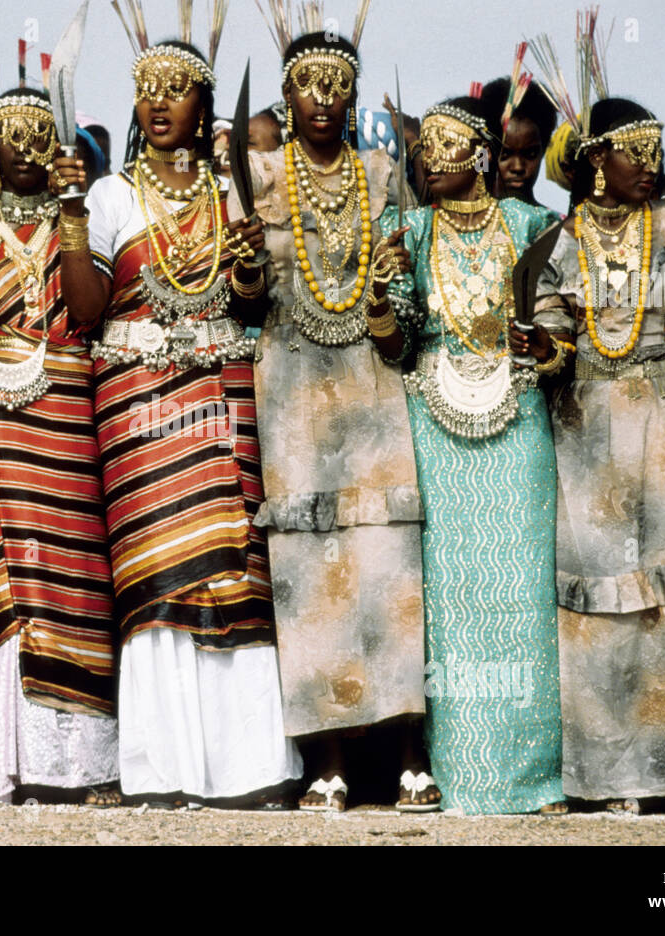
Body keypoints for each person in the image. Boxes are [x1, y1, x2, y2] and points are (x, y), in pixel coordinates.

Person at [52, 37, 302, 806]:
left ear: (203, 107)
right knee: (158, 573)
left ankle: (250, 768)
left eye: (176, 90)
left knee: (232, 565)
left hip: (220, 397)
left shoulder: (230, 191)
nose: (158, 103)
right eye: (146, 89)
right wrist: (68, 216)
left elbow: (252, 306)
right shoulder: (109, 197)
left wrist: (253, 263)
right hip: (137, 405)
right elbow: (87, 313)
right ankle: (163, 770)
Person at [240, 30, 430, 813]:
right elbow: (244, 301)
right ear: (287, 96)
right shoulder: (254, 176)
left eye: (336, 84)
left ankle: (408, 754)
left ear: (352, 98)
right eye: (307, 84)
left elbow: (409, 311)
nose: (322, 98)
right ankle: (326, 758)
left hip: (372, 380)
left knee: (388, 561)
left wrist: (389, 291)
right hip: (290, 380)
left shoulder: (385, 175)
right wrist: (247, 265)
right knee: (311, 569)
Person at [532, 99, 665, 814]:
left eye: (654, 152)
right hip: (589, 420)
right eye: (632, 154)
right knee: (604, 598)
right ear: (596, 167)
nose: (648, 168)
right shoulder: (559, 241)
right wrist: (543, 348)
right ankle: (612, 781)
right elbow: (551, 344)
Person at [386, 98, 565, 814]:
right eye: (424, 146)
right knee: (450, 597)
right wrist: (383, 289)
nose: (429, 157)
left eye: (446, 144)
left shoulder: (530, 225)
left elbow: (557, 317)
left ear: (482, 154)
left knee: (522, 586)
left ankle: (534, 777)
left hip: (516, 416)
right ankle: (459, 773)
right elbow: (393, 344)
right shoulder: (409, 229)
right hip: (434, 420)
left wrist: (543, 342)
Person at [0, 88, 120, 806]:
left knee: (79, 573)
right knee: (11, 584)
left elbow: (88, 313)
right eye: (9, 136)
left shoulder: (79, 219)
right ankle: (20, 760)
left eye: (37, 134)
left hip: (68, 408)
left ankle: (89, 764)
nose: (23, 147)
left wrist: (72, 215)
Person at [481, 76, 556, 206]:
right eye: (504, 155)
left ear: (543, 151)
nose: (518, 167)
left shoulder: (556, 224)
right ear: (483, 153)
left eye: (530, 155)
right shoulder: (451, 221)